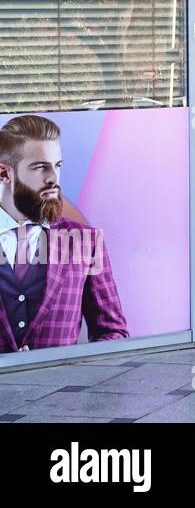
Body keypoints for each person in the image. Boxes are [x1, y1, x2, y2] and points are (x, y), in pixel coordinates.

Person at [0, 115, 128, 353]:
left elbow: (113, 332)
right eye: (40, 167)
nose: (53, 179)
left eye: (57, 165)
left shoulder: (86, 242)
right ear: (5, 174)